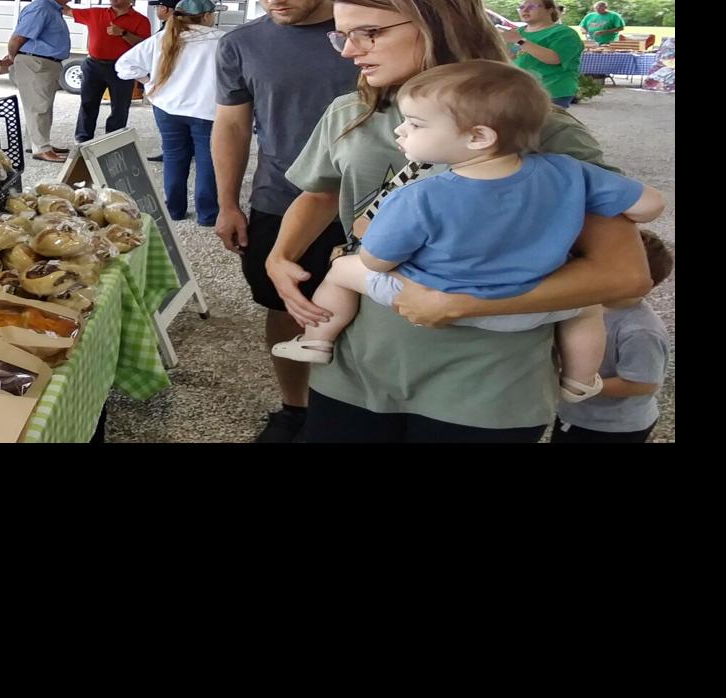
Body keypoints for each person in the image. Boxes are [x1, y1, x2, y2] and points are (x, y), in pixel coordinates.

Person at [268, 0, 653, 443]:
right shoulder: (353, 111)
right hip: (358, 365)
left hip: (488, 383)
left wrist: (464, 304)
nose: (349, 51)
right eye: (342, 35)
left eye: (369, 32)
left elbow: (623, 275)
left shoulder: (534, 126)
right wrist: (281, 256)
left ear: (439, 23)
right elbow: (321, 192)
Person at [212, 0, 359, 442]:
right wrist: (227, 203)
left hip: (375, 202)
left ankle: (356, 412)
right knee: (287, 307)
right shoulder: (241, 43)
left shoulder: (374, 30)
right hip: (281, 198)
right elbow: (232, 126)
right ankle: (296, 408)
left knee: (374, 314)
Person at [552, 230, 671, 443]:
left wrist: (584, 386)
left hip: (613, 426)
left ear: (641, 283)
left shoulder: (641, 331)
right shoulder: (590, 306)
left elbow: (644, 384)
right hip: (577, 415)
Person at [116, 0, 222, 224]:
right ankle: (207, 214)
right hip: (207, 111)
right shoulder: (221, 40)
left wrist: (149, 83)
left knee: (173, 157)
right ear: (206, 16)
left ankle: (174, 210)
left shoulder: (162, 38)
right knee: (208, 160)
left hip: (167, 108)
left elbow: (124, 66)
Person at [3, 0, 74, 164]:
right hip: (35, 61)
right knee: (38, 106)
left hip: (45, 62)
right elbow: (17, 38)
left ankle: (36, 143)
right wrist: (12, 57)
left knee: (41, 105)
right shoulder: (41, 7)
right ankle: (41, 148)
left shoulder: (52, 8)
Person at [70, 0, 150, 145]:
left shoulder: (141, 20)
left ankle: (113, 142)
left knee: (120, 107)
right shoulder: (95, 12)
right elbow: (67, 10)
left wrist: (123, 33)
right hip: (93, 64)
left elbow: (144, 46)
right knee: (88, 103)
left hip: (122, 68)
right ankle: (82, 140)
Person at [501, 1, 582, 107]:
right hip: (519, 90)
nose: (525, 10)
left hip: (552, 91)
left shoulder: (564, 33)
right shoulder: (517, 32)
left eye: (532, 6)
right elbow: (511, 57)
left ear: (550, 10)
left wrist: (520, 40)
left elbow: (554, 58)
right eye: (521, 7)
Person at [142, 0, 180, 161]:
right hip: (169, 82)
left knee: (169, 123)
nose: (157, 9)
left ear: (165, 9)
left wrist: (147, 82)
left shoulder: (171, 29)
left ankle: (172, 152)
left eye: (158, 7)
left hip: (166, 83)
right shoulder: (169, 26)